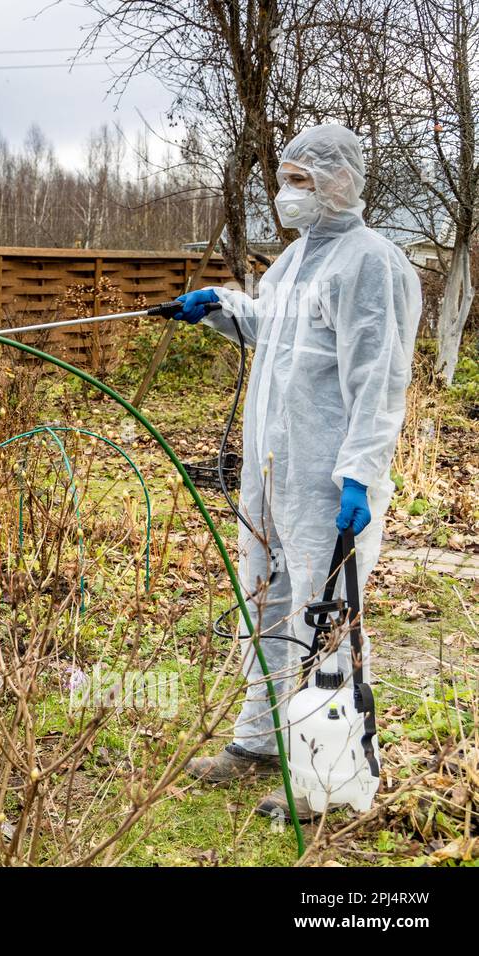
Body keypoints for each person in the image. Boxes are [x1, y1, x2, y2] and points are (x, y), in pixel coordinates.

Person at [171, 124, 422, 820]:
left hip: (327, 479)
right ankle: (257, 741)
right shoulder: (291, 265)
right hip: (271, 473)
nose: (287, 194)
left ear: (341, 181)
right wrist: (221, 307)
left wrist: (361, 476)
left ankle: (325, 781)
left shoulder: (372, 265)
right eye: (284, 179)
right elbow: (271, 328)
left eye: (302, 181)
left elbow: (380, 380)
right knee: (267, 602)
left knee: (325, 615)